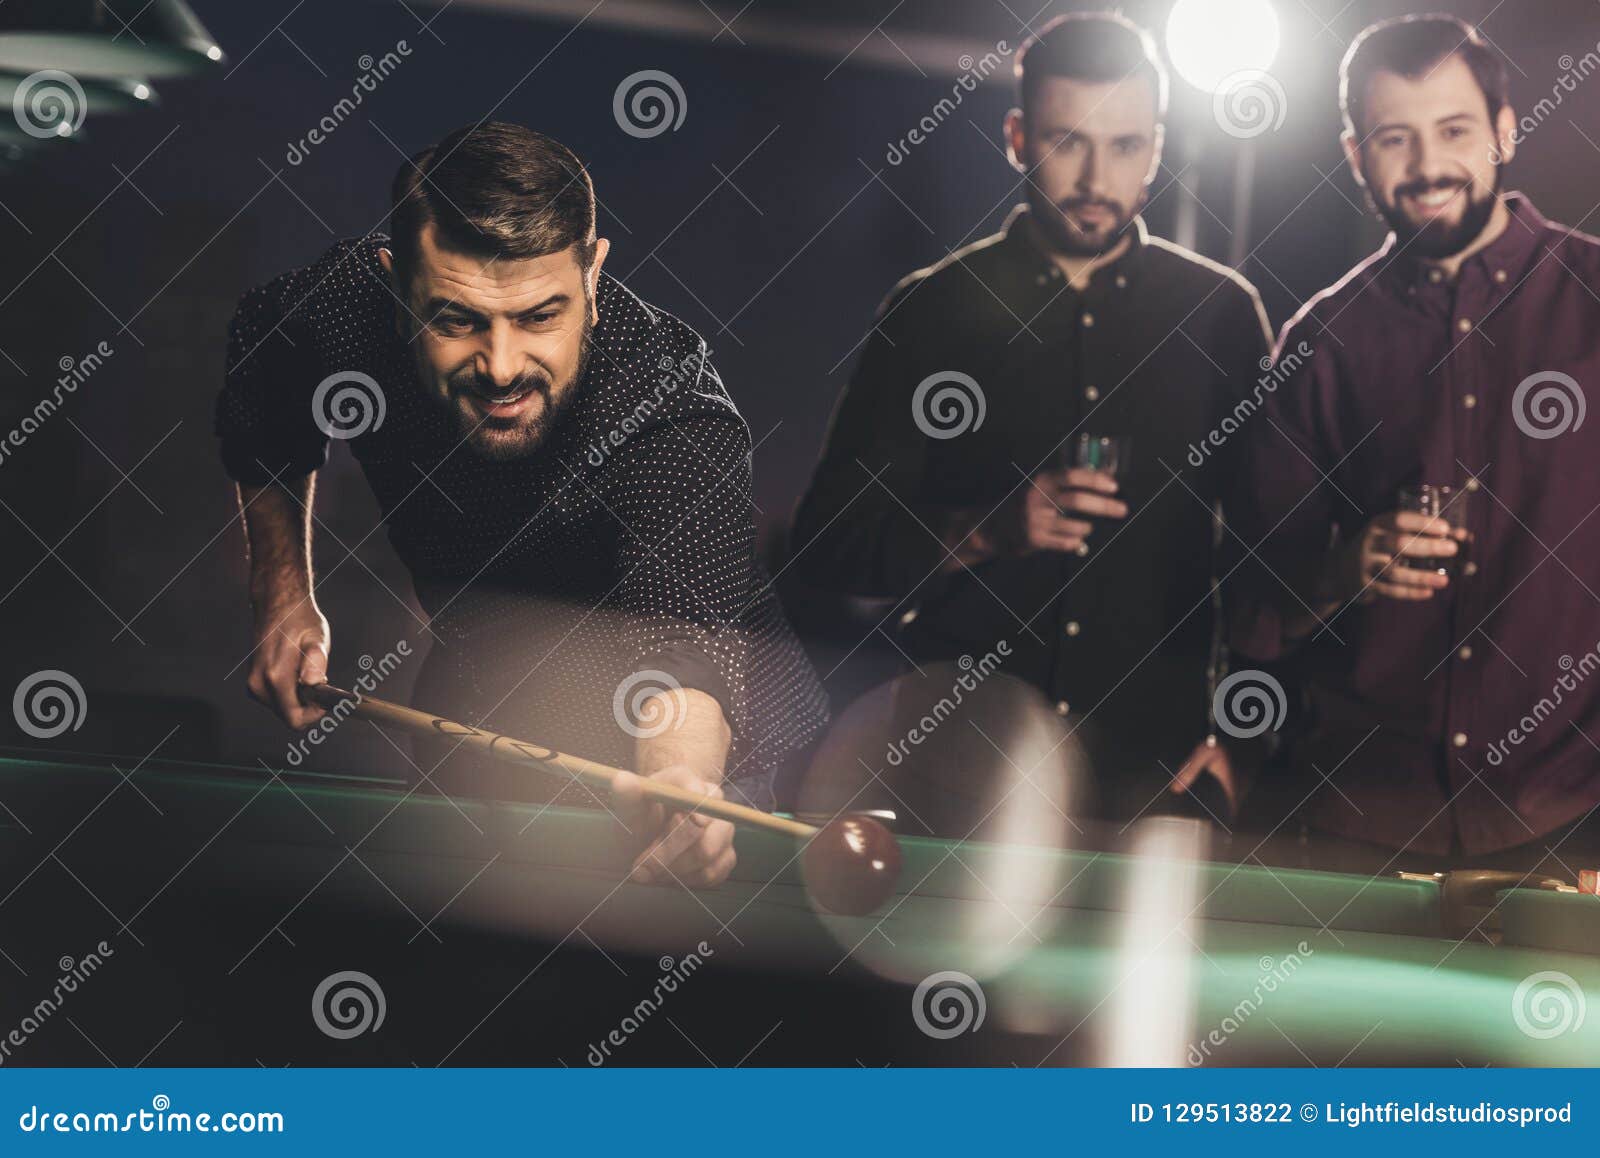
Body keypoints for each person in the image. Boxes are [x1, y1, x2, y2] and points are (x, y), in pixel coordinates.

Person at [216, 122, 827, 889]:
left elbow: (684, 648)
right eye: (458, 319)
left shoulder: (669, 409)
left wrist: (680, 780)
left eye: (540, 315)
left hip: (717, 771)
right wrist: (282, 598)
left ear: (593, 276)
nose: (501, 367)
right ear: (396, 286)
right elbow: (264, 371)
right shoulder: (346, 310)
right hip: (484, 697)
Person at [790, 12, 1272, 831]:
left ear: (1156, 145)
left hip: (1153, 777)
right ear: (1017, 137)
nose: (1094, 177)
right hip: (956, 771)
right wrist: (985, 529)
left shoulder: (1222, 314)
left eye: (1124, 146)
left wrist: (1250, 739)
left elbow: (1275, 550)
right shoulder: (930, 309)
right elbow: (827, 547)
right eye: (1067, 142)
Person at [1235, 14, 1600, 875]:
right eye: (1395, 138)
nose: (1428, 164)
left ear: (1506, 133)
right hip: (1355, 829)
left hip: (1565, 830)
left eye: (1454, 131)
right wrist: (1341, 567)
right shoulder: (1321, 340)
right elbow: (1251, 604)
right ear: (1356, 152)